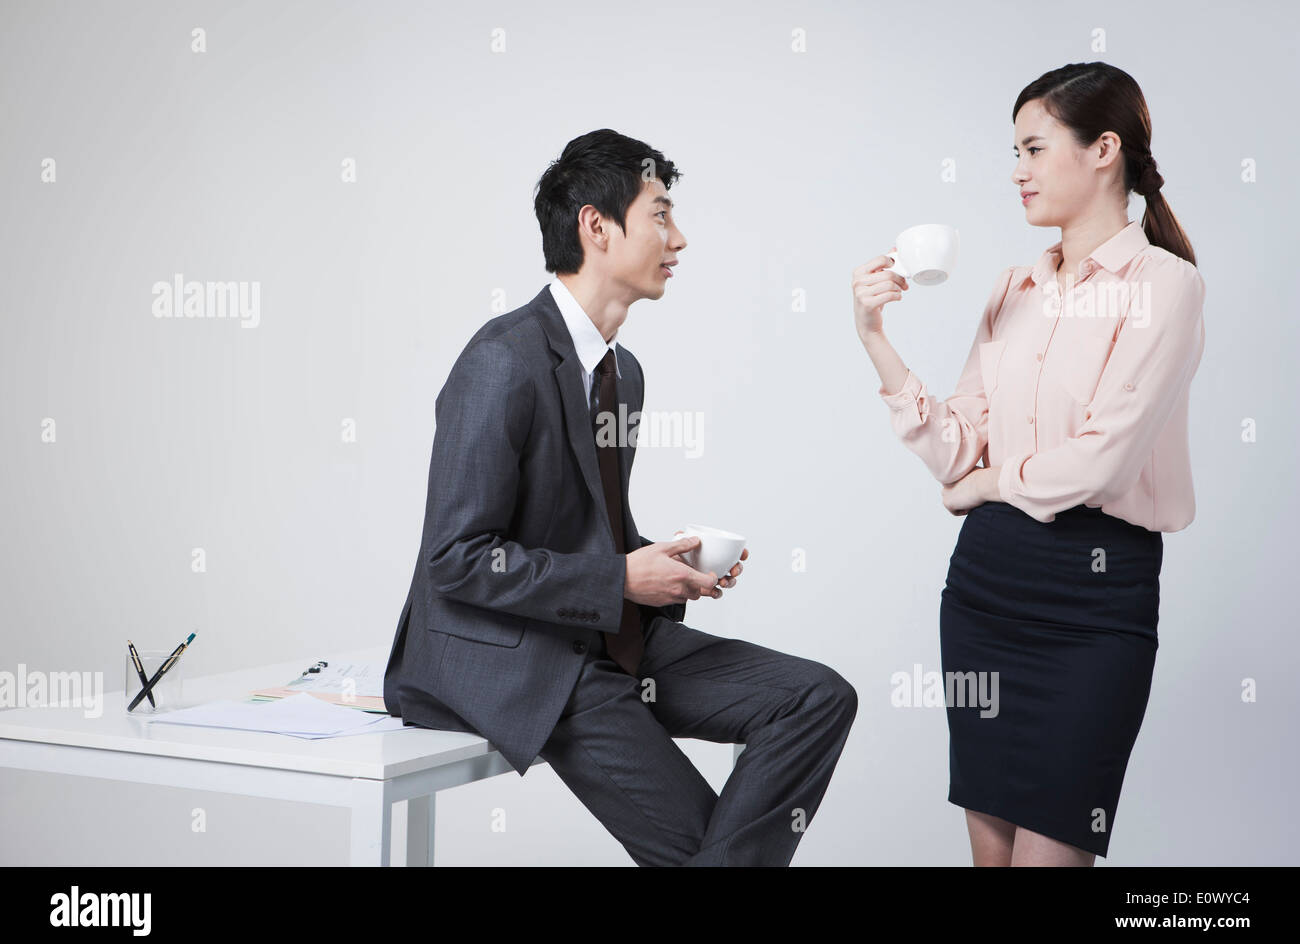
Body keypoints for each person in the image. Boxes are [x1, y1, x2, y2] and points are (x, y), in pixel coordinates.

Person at [385, 128, 858, 866]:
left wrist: (660, 564)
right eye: (661, 215)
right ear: (596, 227)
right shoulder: (500, 362)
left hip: (603, 634)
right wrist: (619, 578)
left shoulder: (622, 373)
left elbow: (589, 532)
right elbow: (455, 561)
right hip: (517, 654)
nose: (681, 239)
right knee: (714, 850)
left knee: (817, 698)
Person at [852, 62, 1205, 866]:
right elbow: (956, 450)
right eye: (1014, 150)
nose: (1017, 170)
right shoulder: (1013, 287)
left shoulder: (1165, 286)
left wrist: (988, 484)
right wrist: (878, 341)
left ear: (1104, 149)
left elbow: (1102, 463)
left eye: (1035, 149)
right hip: (986, 592)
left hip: (1095, 598)